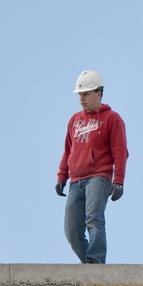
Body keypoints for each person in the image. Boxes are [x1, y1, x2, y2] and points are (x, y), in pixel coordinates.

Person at [56, 70, 128, 264]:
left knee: (93, 220)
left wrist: (118, 181)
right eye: (80, 94)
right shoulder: (74, 120)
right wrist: (62, 176)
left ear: (99, 92)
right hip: (75, 181)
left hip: (99, 177)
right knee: (71, 230)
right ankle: (89, 265)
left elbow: (120, 151)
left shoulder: (112, 118)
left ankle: (96, 262)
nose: (82, 98)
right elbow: (67, 151)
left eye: (86, 94)